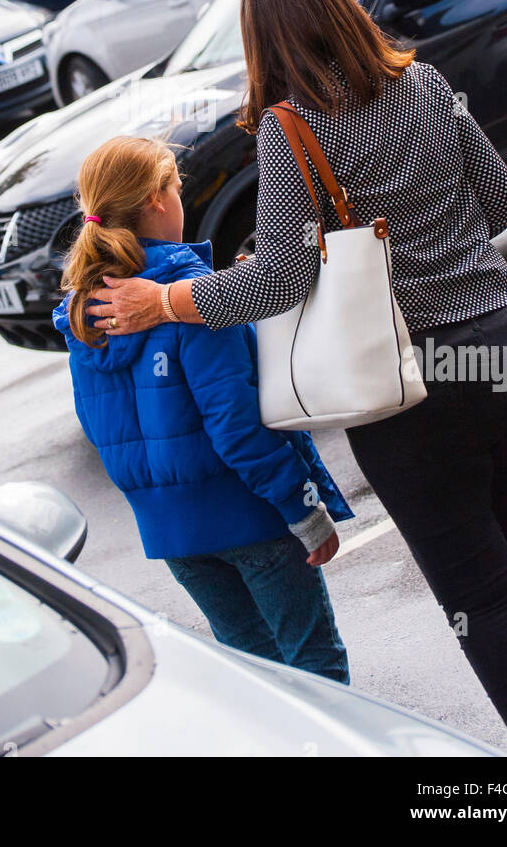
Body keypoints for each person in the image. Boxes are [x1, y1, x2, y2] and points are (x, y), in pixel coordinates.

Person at [87, 0, 507, 759]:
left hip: (418, 398)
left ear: (262, 42)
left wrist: (167, 301)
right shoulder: (424, 85)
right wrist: (434, 236)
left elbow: (280, 280)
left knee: (484, 599)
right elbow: (498, 201)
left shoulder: (291, 131)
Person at [53, 134, 353, 682]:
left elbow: (105, 432)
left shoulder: (84, 317)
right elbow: (237, 427)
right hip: (251, 515)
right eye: (176, 186)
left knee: (255, 673)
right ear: (157, 201)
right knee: (316, 665)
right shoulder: (191, 298)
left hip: (175, 536)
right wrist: (303, 508)